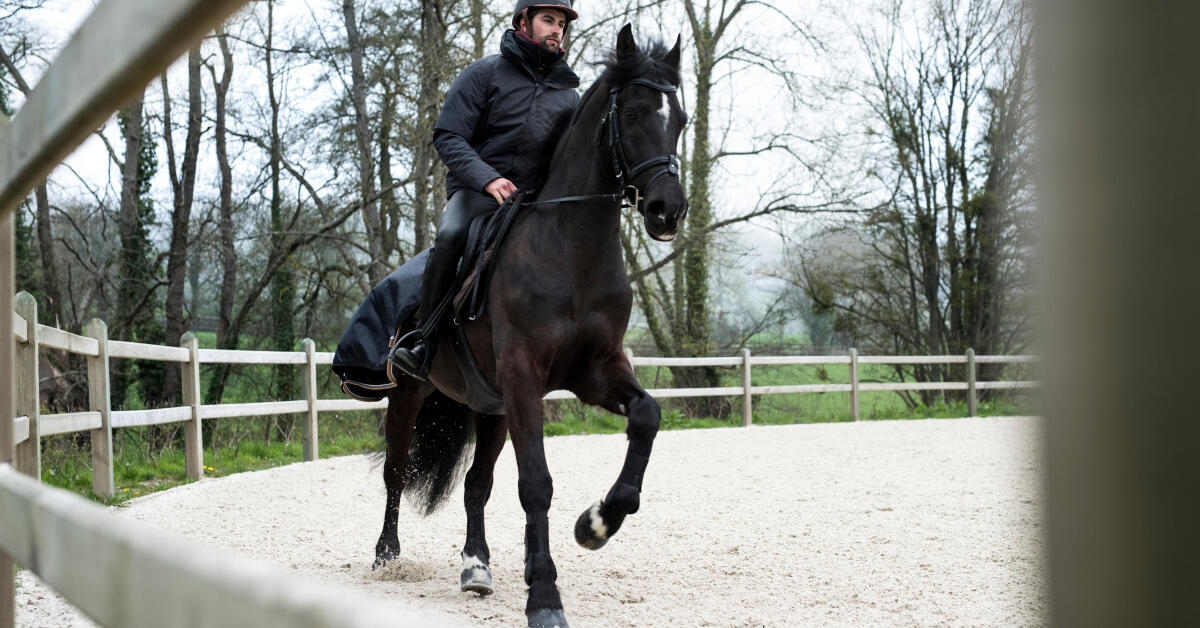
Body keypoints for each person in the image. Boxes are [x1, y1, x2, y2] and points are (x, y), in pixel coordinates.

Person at [391, 0, 581, 381]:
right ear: (522, 22)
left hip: (530, 203)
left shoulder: (569, 96)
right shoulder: (484, 72)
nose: (557, 29)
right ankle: (423, 342)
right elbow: (448, 136)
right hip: (477, 193)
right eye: (548, 20)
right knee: (450, 236)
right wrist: (488, 178)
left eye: (561, 23)